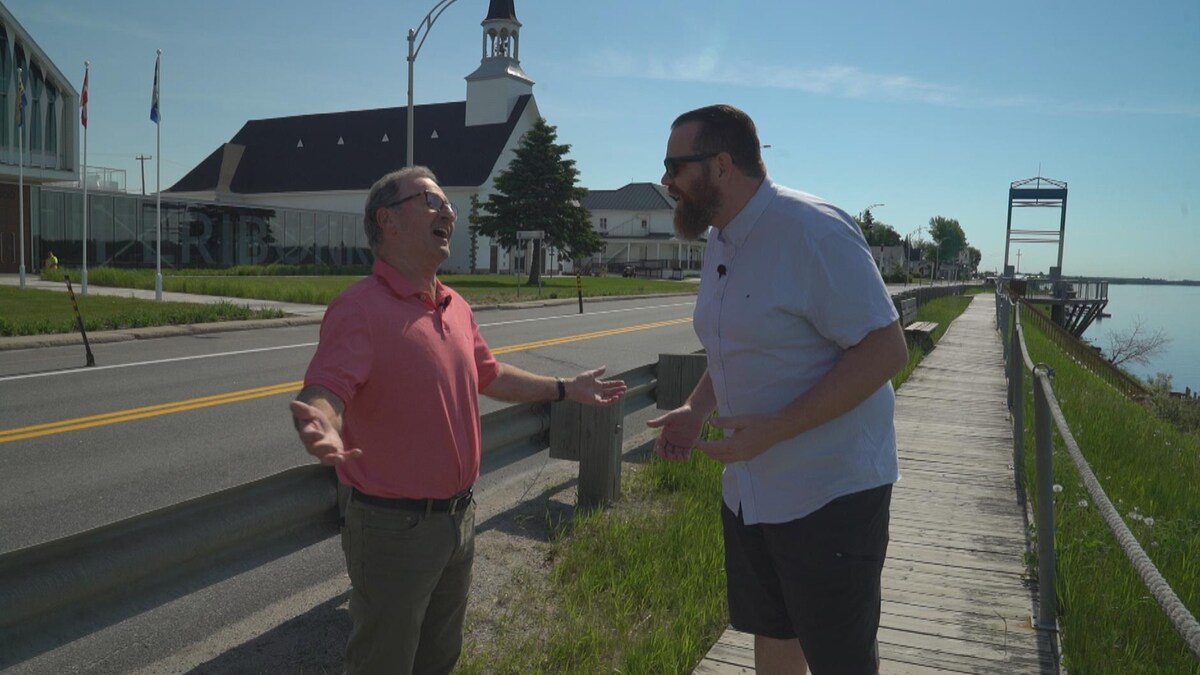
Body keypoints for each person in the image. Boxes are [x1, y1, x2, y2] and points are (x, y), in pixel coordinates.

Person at [290, 166, 626, 675]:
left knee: (440, 661)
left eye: (447, 204)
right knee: (384, 664)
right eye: (430, 201)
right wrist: (320, 422)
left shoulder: (455, 304)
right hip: (393, 530)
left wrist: (564, 389)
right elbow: (326, 389)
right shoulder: (359, 308)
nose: (448, 211)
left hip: (458, 520)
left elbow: (489, 374)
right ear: (388, 221)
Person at [647, 104, 908, 675]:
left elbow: (886, 351)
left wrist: (776, 429)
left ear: (721, 164)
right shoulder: (721, 236)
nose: (665, 181)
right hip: (751, 492)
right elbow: (740, 345)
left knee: (841, 658)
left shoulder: (814, 230)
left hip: (830, 492)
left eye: (674, 165)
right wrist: (695, 408)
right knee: (774, 636)